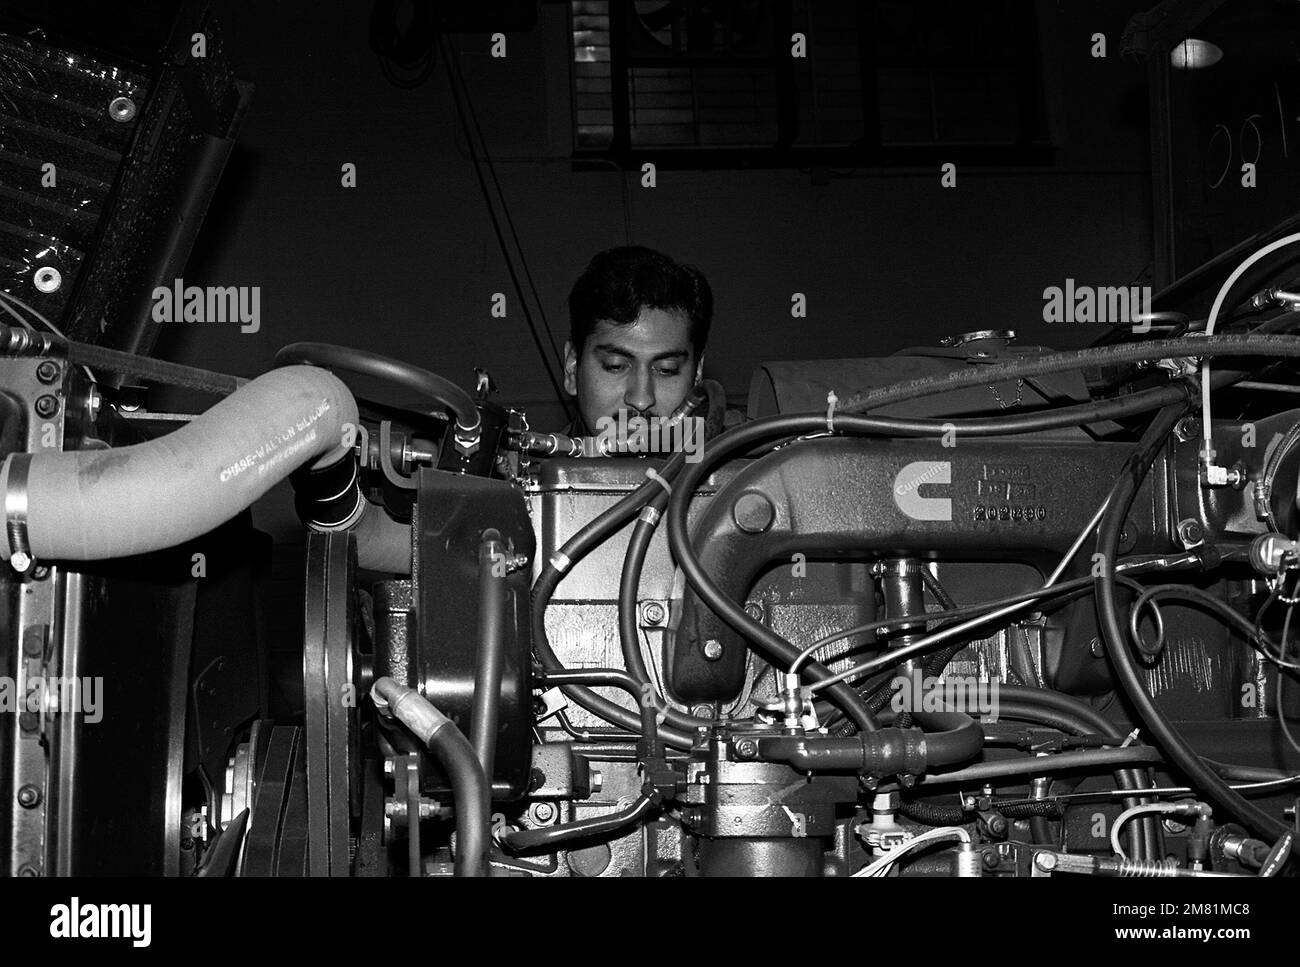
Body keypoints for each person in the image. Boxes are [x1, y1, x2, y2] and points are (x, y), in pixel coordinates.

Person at [562, 246, 713, 439]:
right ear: (572, 369)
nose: (641, 401)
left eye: (666, 370)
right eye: (615, 366)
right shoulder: (530, 469)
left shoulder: (745, 467)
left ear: (697, 375)